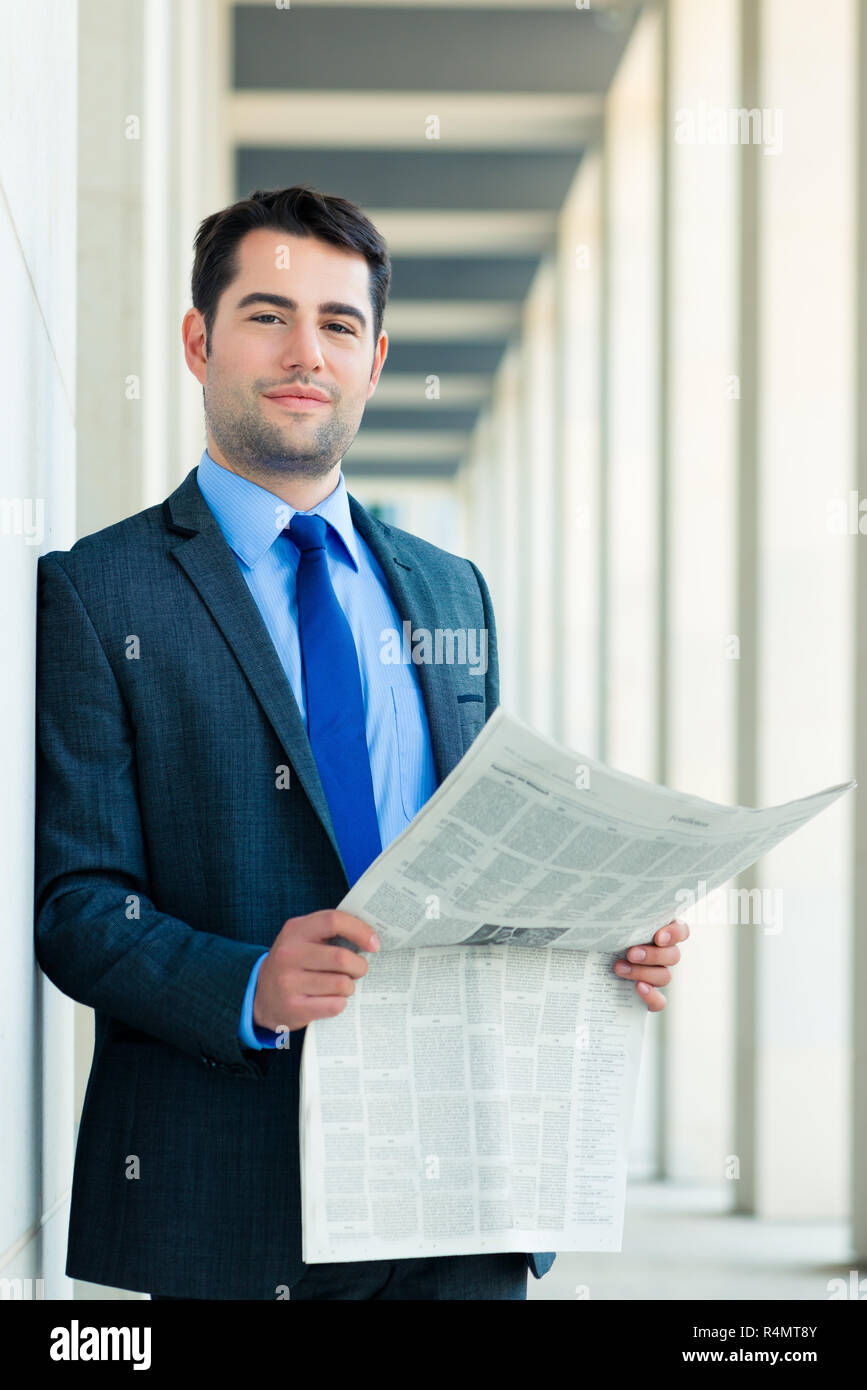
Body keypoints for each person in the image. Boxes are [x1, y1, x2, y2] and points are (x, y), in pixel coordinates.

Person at [34, 185, 687, 1301]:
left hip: (464, 1188)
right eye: (267, 314)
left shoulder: (449, 589)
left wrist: (604, 937)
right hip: (234, 1211)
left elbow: (484, 853)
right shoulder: (100, 592)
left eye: (339, 324)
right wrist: (250, 983)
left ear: (375, 359)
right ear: (199, 341)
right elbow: (78, 904)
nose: (306, 353)